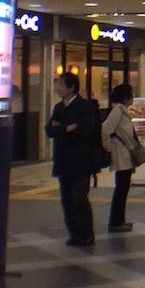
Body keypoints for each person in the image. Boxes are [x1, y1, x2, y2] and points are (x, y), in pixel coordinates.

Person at [47, 72, 100, 247]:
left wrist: (63, 129)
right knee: (66, 200)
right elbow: (49, 130)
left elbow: (83, 131)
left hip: (81, 161)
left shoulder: (85, 107)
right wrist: (67, 128)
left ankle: (86, 233)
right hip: (63, 161)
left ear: (71, 88)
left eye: (61, 84)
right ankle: (74, 234)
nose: (57, 87)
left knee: (79, 198)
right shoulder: (58, 108)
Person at [100, 83, 138, 234]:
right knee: (121, 189)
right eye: (131, 94)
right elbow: (105, 130)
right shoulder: (117, 112)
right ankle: (115, 222)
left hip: (125, 155)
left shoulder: (122, 111)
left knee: (123, 188)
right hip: (120, 155)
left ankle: (120, 220)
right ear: (125, 97)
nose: (133, 97)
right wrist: (109, 148)